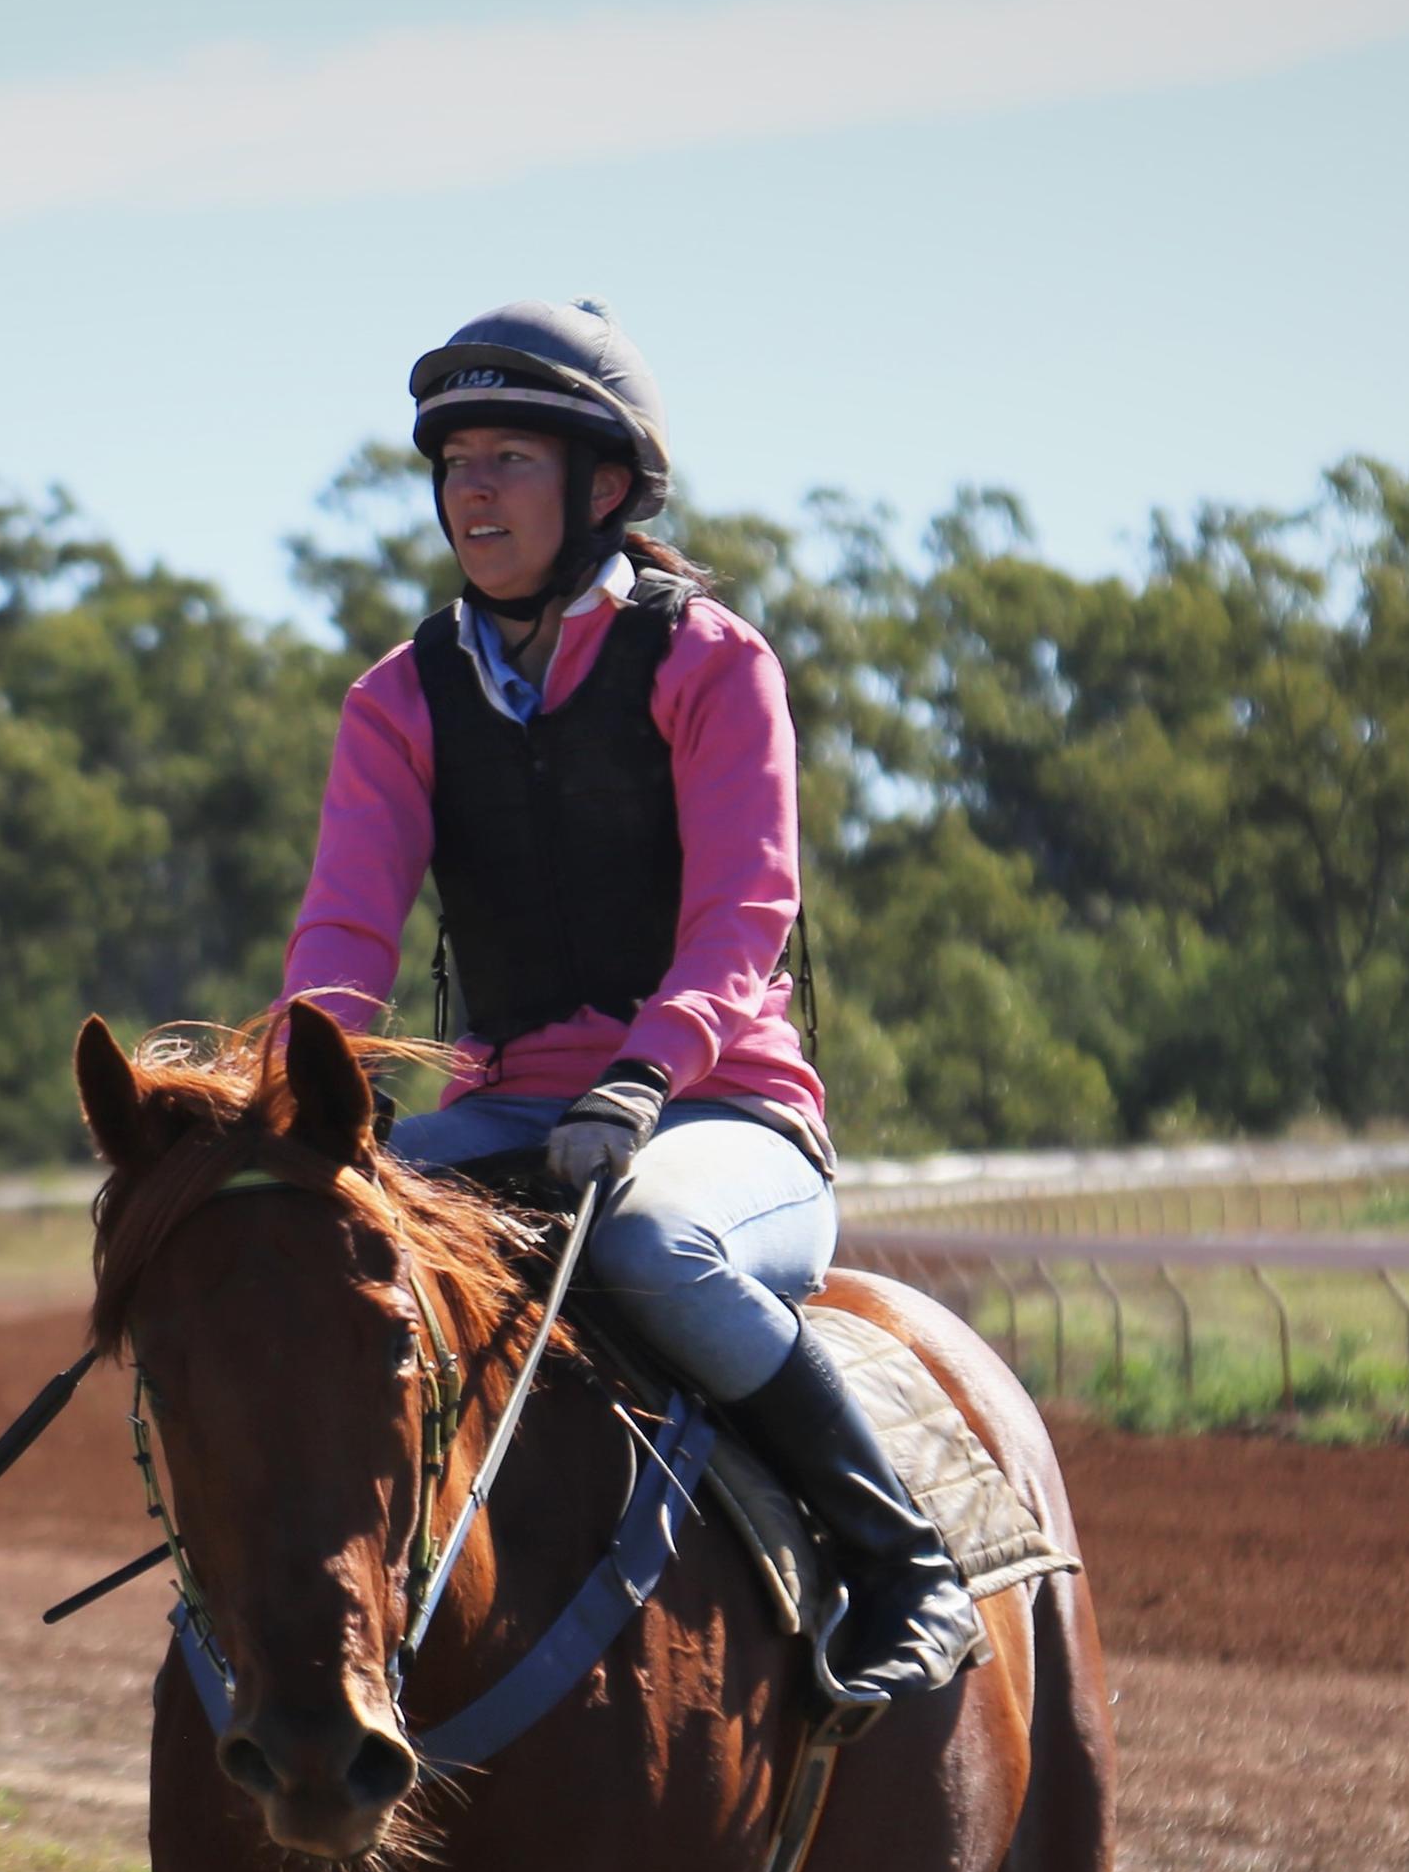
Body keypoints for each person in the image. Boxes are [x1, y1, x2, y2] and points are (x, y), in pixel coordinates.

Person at [279, 297, 981, 1706]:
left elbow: (743, 921)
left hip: (723, 1116)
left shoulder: (715, 663)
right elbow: (346, 928)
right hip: (509, 1112)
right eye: (454, 461)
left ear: (603, 485)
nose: (472, 491)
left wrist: (642, 1077)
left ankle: (904, 1563)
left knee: (653, 1246)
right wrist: (313, 1093)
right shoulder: (396, 702)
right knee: (291, 1246)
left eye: (508, 460)